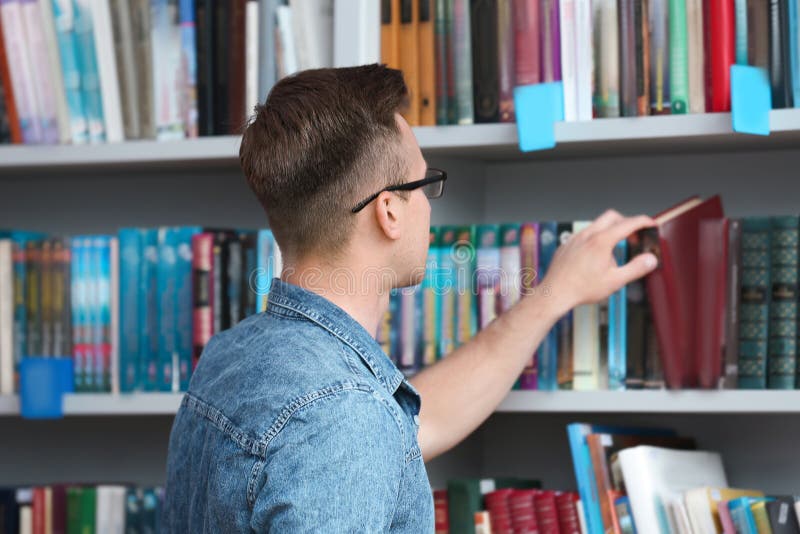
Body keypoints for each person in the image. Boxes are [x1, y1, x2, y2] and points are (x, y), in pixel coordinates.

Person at [162, 64, 657, 532]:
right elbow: (353, 424)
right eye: (423, 184)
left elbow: (414, 424)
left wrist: (556, 292)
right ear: (389, 212)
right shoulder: (344, 414)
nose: (427, 205)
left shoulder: (231, 359)